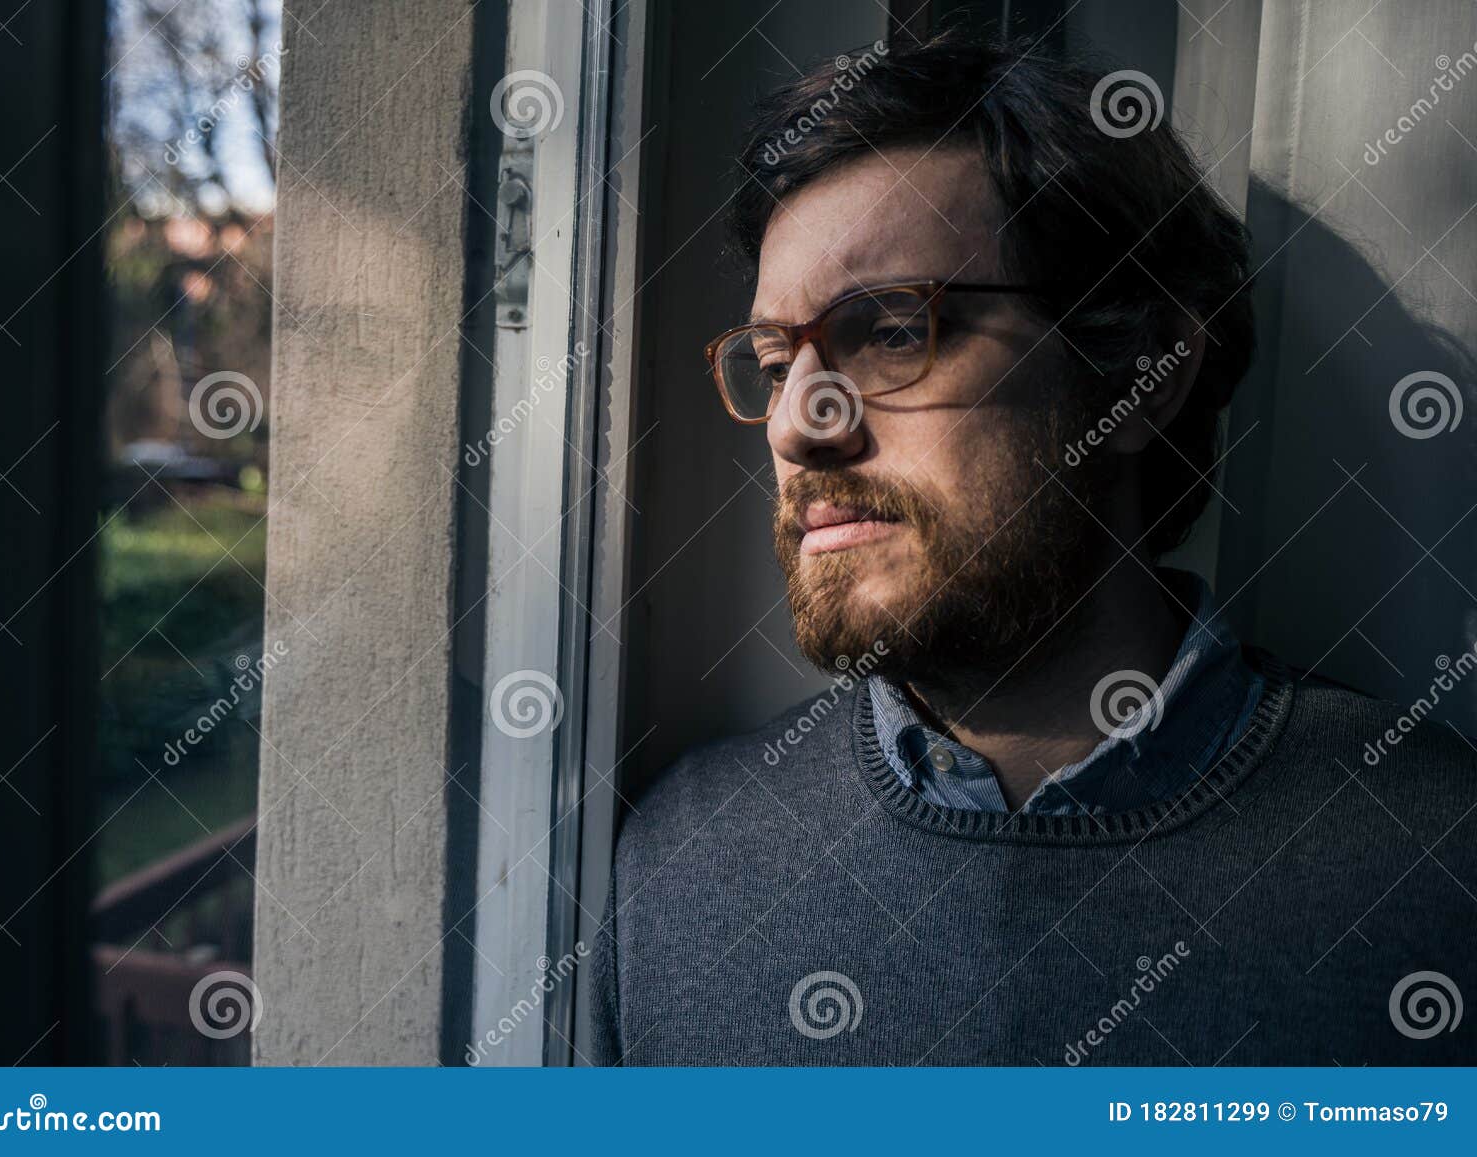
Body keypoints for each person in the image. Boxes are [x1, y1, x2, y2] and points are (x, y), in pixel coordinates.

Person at [589, 31, 1477, 1066]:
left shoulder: (1428, 855)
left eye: (888, 331)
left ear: (1145, 369)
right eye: (777, 359)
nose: (796, 425)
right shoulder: (686, 861)